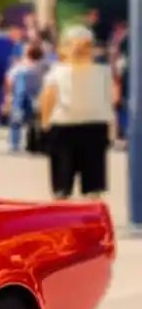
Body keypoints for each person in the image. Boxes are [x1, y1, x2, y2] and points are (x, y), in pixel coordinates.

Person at [39, 26, 115, 199]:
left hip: (74, 126)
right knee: (85, 184)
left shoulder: (58, 72)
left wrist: (45, 126)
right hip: (82, 126)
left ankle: (72, 216)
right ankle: (81, 217)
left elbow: (47, 100)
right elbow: (110, 99)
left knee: (70, 184)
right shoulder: (101, 72)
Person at [5, 42, 47, 154]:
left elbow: (10, 80)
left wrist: (9, 94)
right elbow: (10, 80)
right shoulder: (42, 66)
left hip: (27, 97)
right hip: (27, 97)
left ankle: (18, 144)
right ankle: (16, 143)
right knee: (25, 121)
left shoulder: (25, 66)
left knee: (24, 121)